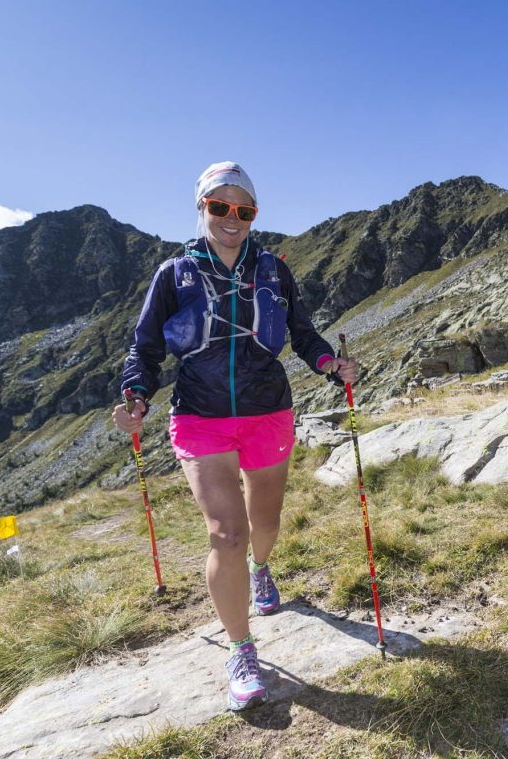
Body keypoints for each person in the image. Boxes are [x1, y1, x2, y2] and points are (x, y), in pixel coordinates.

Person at [112, 161, 358, 710]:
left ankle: (261, 570)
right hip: (199, 415)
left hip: (268, 410)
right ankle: (241, 648)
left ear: (253, 215)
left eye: (243, 209)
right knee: (227, 532)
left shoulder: (273, 269)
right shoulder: (173, 274)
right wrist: (135, 396)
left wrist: (328, 364)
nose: (232, 218)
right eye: (219, 206)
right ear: (201, 208)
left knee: (263, 524)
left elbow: (301, 332)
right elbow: (145, 347)